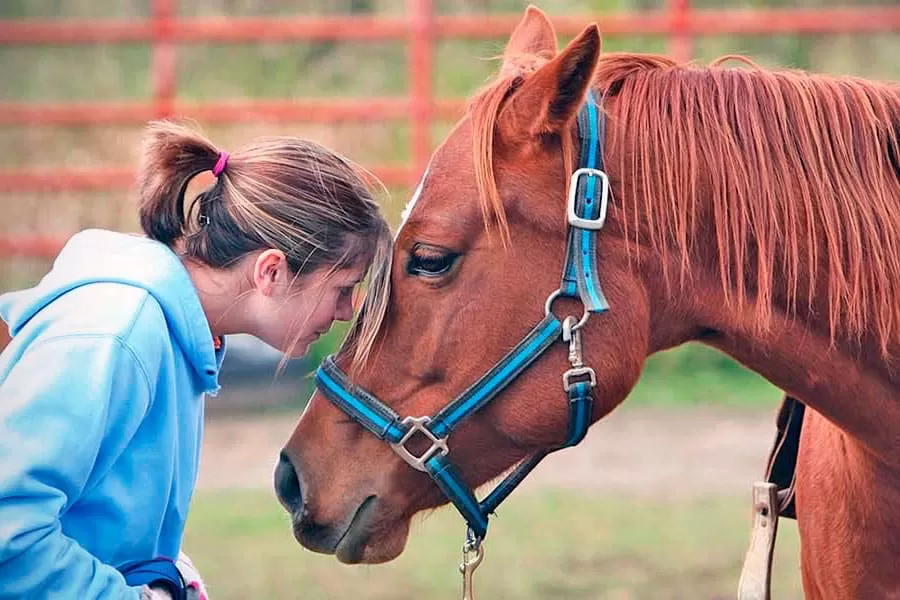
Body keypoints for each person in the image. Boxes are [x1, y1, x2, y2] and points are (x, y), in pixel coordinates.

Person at [0, 120, 392, 599]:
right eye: (343, 288)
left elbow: (96, 512)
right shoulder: (117, 335)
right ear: (271, 271)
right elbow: (9, 529)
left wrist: (170, 571)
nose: (347, 312)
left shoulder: (179, 339)